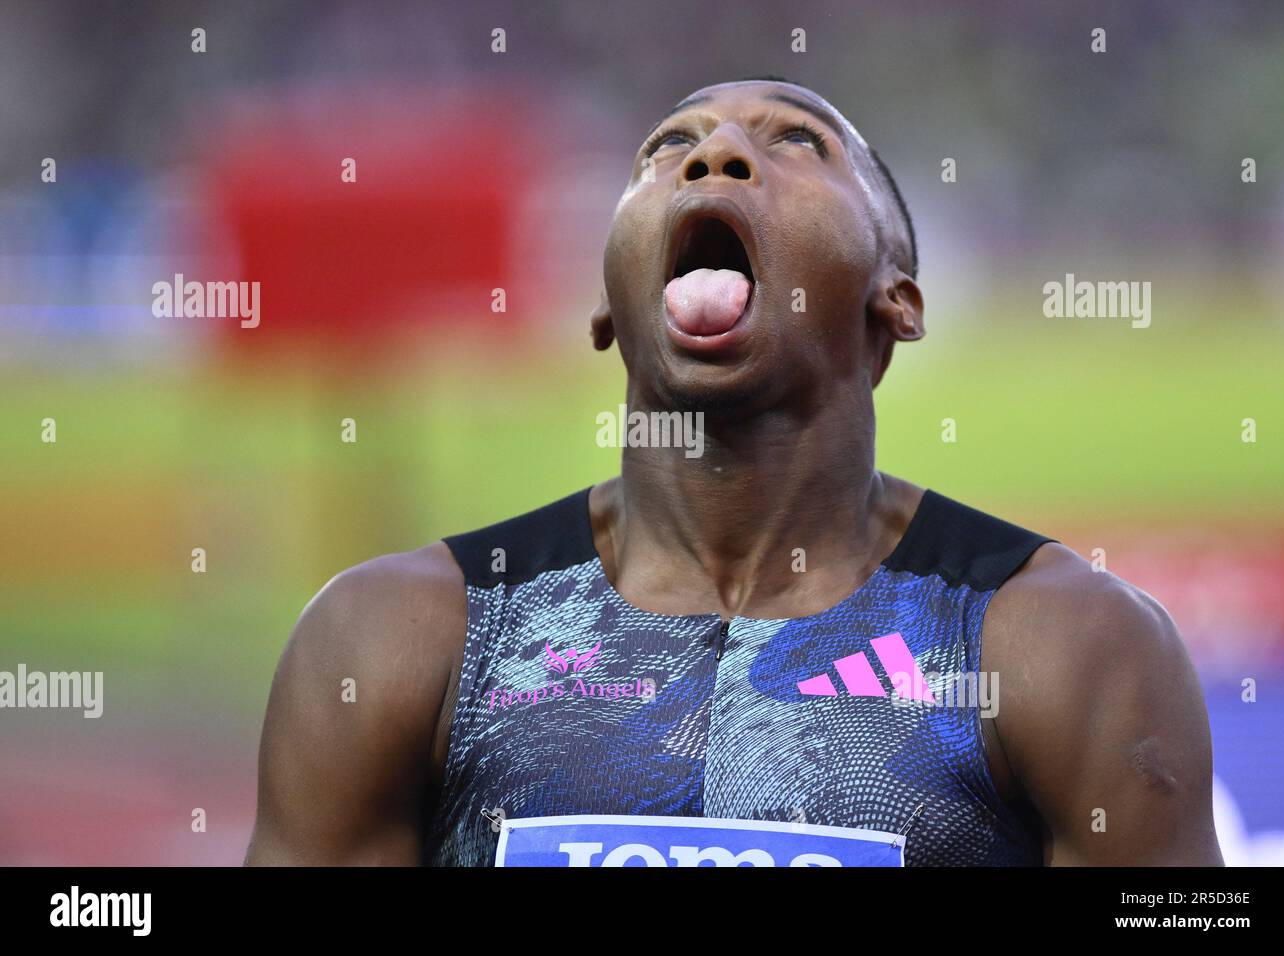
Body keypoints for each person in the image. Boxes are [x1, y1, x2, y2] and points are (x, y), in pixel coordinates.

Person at [245, 78, 1222, 866]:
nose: (713, 155)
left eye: (797, 141)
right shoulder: (395, 637)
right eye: (669, 148)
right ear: (606, 304)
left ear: (898, 299)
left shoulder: (1065, 645)